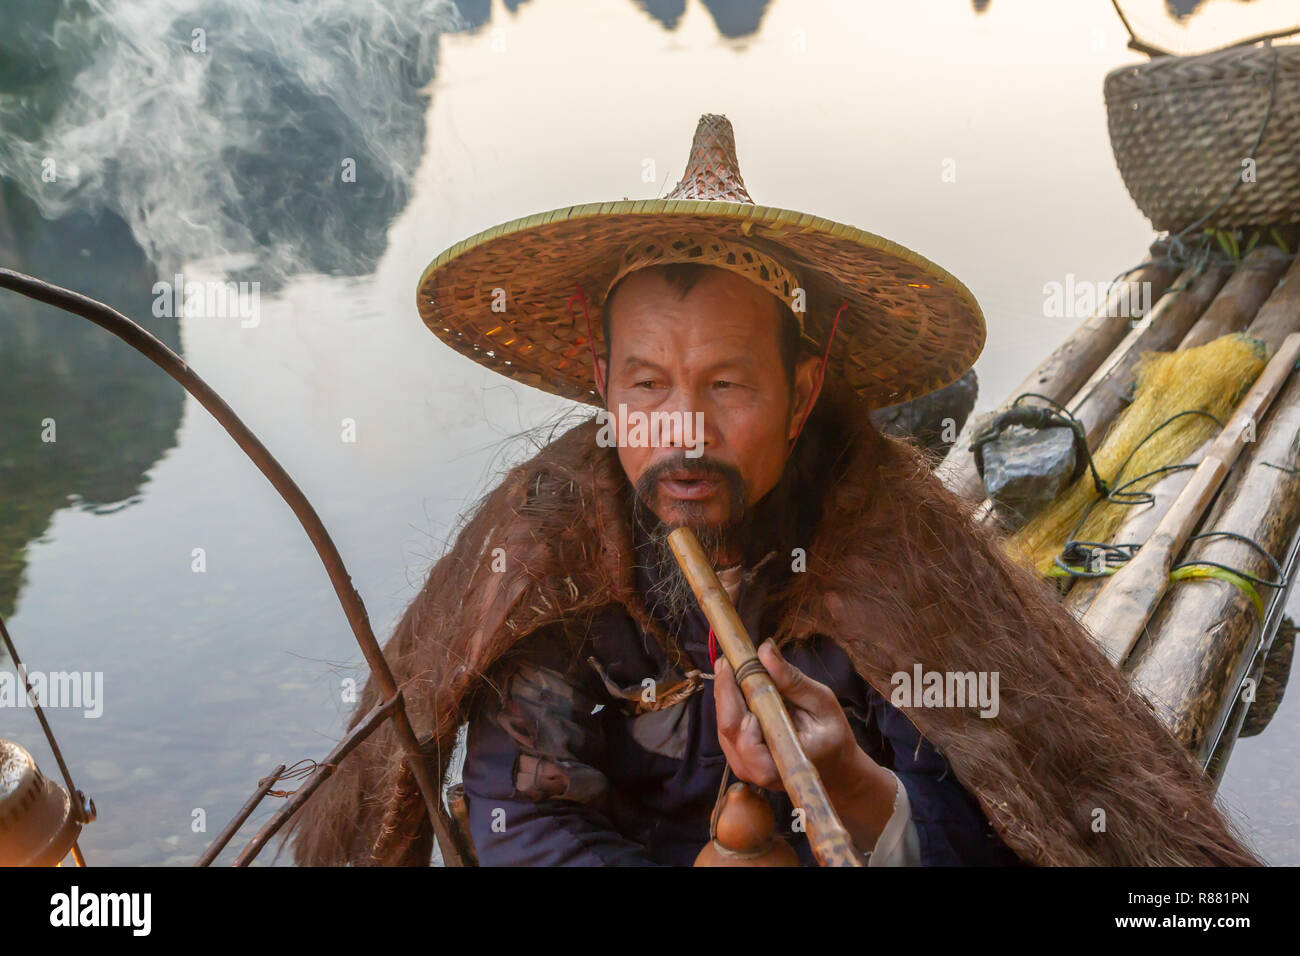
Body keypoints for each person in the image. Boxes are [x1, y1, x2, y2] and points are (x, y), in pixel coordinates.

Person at [291, 114, 1259, 867]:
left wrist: (853, 789)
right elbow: (520, 811)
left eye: (724, 386)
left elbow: (995, 825)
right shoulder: (551, 554)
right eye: (646, 387)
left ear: (799, 393)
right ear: (604, 390)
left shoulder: (887, 548)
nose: (681, 430)